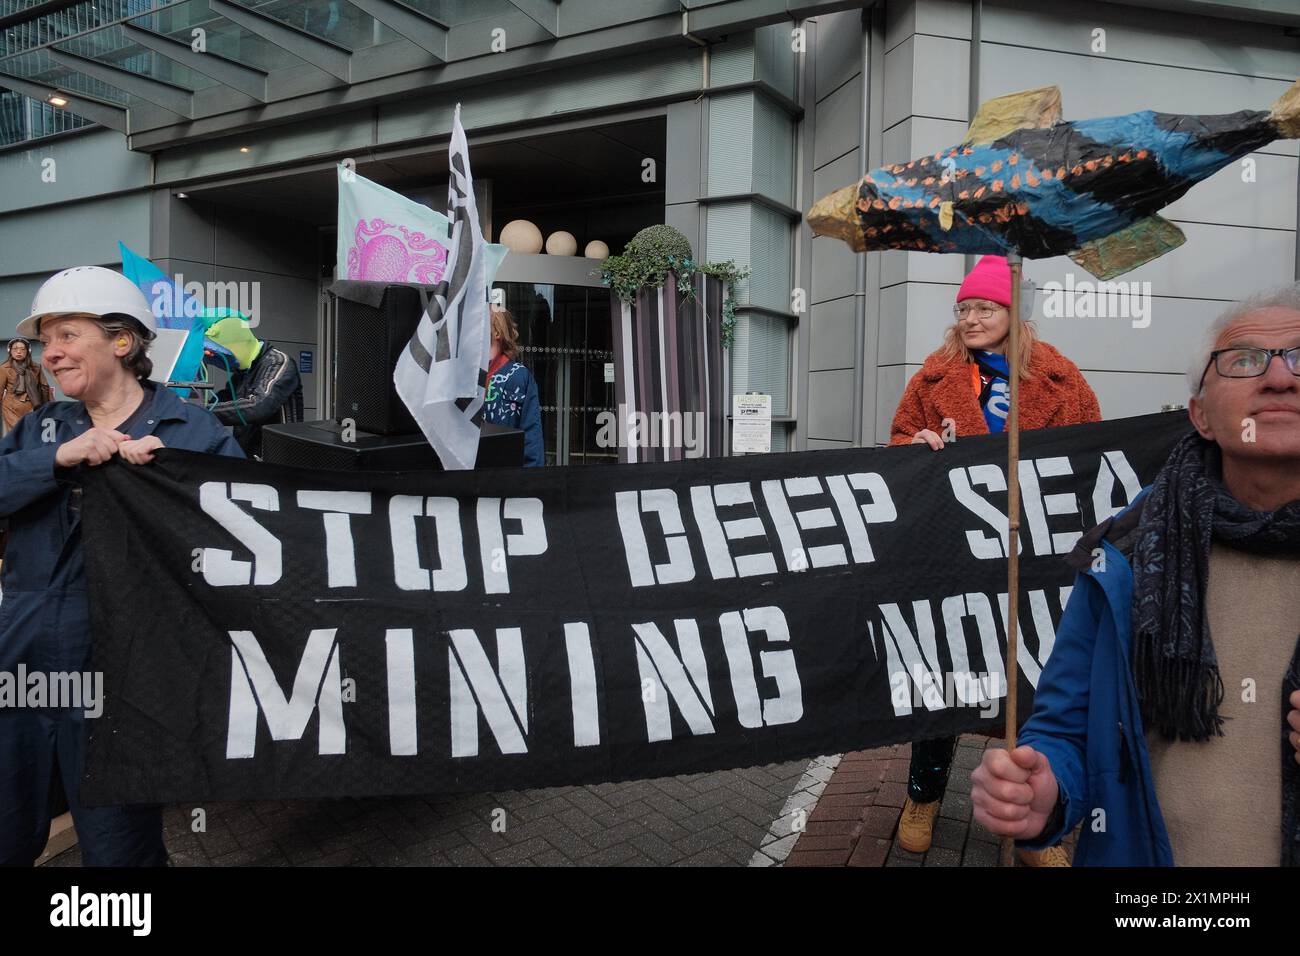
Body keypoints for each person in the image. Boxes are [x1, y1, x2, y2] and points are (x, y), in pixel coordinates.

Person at [970, 285, 1300, 866]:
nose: (1279, 378)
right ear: (1200, 413)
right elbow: (1068, 729)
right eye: (1245, 360)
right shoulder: (1122, 554)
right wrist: (1045, 789)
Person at [0, 265, 244, 867]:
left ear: (122, 341)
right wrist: (59, 458)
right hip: (20, 665)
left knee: (116, 845)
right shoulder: (41, 429)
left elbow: (245, 537)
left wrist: (171, 484)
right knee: (6, 823)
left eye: (66, 336)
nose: (49, 355)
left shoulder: (192, 431)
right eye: (43, 342)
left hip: (121, 676)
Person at [888, 254, 1101, 866]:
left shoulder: (1063, 379)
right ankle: (922, 796)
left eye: (985, 307)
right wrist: (917, 445)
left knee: (1034, 682)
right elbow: (898, 439)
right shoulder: (935, 376)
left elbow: (1090, 455)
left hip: (1033, 560)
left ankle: (1038, 822)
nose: (972, 318)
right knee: (949, 676)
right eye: (964, 309)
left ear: (1012, 311)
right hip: (953, 554)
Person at [205, 314, 303, 459]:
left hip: (280, 457)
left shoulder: (278, 362)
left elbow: (258, 406)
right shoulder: (243, 372)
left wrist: (204, 411)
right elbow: (222, 400)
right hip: (250, 455)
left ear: (234, 343)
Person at [483, 304, 543, 467]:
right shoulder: (462, 374)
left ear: (496, 331)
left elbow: (531, 440)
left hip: (505, 481)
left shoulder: (519, 376)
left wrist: (530, 486)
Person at [0, 336, 52, 433]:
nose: (18, 352)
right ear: (10, 351)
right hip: (11, 407)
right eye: (15, 349)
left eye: (22, 349)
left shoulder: (36, 367)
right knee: (15, 434)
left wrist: (48, 404)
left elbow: (44, 387)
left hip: (32, 405)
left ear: (28, 351)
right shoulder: (4, 368)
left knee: (30, 433)